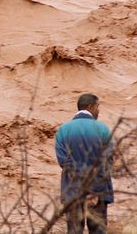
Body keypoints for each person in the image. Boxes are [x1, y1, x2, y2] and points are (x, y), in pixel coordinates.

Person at [54, 93, 113, 234]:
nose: (99, 110)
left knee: (74, 230)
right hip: (98, 189)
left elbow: (64, 162)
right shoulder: (103, 129)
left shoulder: (63, 130)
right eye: (98, 106)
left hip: (73, 189)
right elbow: (107, 161)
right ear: (90, 106)